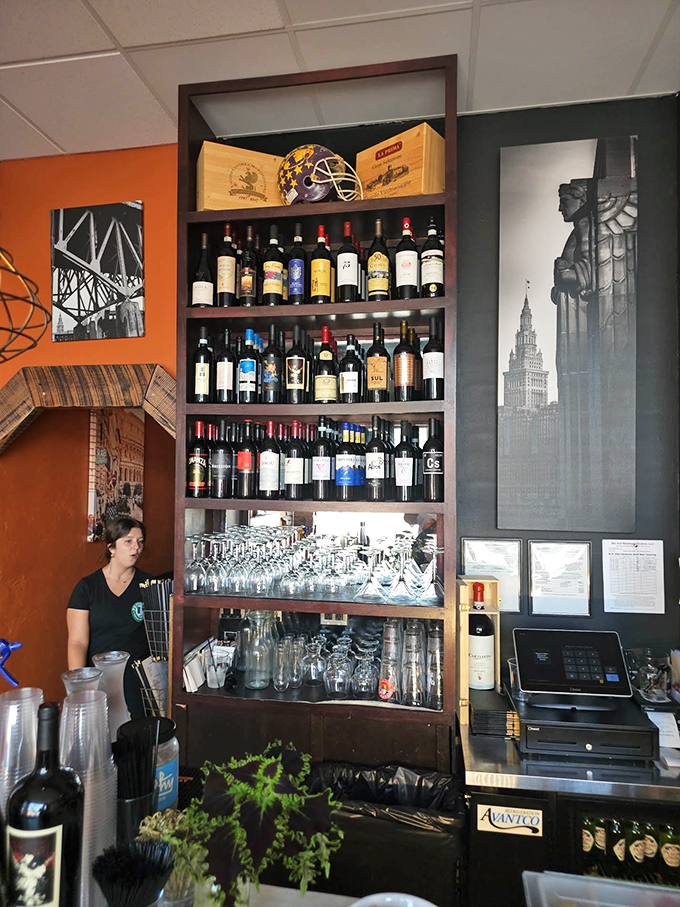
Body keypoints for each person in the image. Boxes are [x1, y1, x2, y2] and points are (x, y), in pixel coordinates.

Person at [67, 515, 151, 718]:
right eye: (128, 541)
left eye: (140, 542)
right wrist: (80, 688)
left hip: (137, 682)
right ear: (111, 548)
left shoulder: (149, 585)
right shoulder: (87, 588)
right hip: (99, 680)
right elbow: (77, 642)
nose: (136, 548)